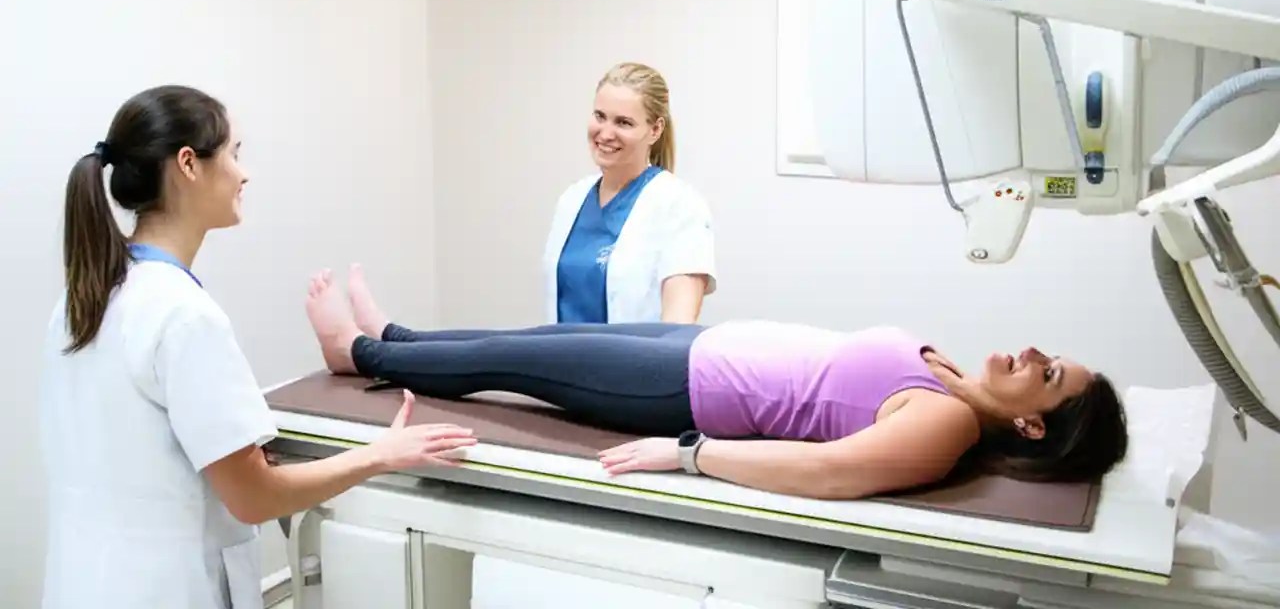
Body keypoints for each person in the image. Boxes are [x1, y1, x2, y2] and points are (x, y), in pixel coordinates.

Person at [39, 86, 476, 609]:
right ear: (188, 165)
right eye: (234, 153)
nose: (244, 174)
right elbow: (254, 498)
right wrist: (381, 456)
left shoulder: (80, 298)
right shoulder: (183, 315)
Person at [306, 265, 1130, 501]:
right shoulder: (949, 373)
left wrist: (693, 455)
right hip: (703, 344)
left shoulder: (945, 427)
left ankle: (363, 358)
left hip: (687, 392)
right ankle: (398, 338)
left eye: (1047, 374)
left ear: (1032, 427)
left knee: (517, 366)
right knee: (535, 336)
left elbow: (828, 471)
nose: (1031, 352)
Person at [543, 61, 717, 325]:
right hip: (558, 363)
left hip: (631, 365)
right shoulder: (572, 199)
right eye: (600, 116)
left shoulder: (679, 206)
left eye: (623, 122)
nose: (606, 133)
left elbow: (678, 329)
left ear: (655, 129)